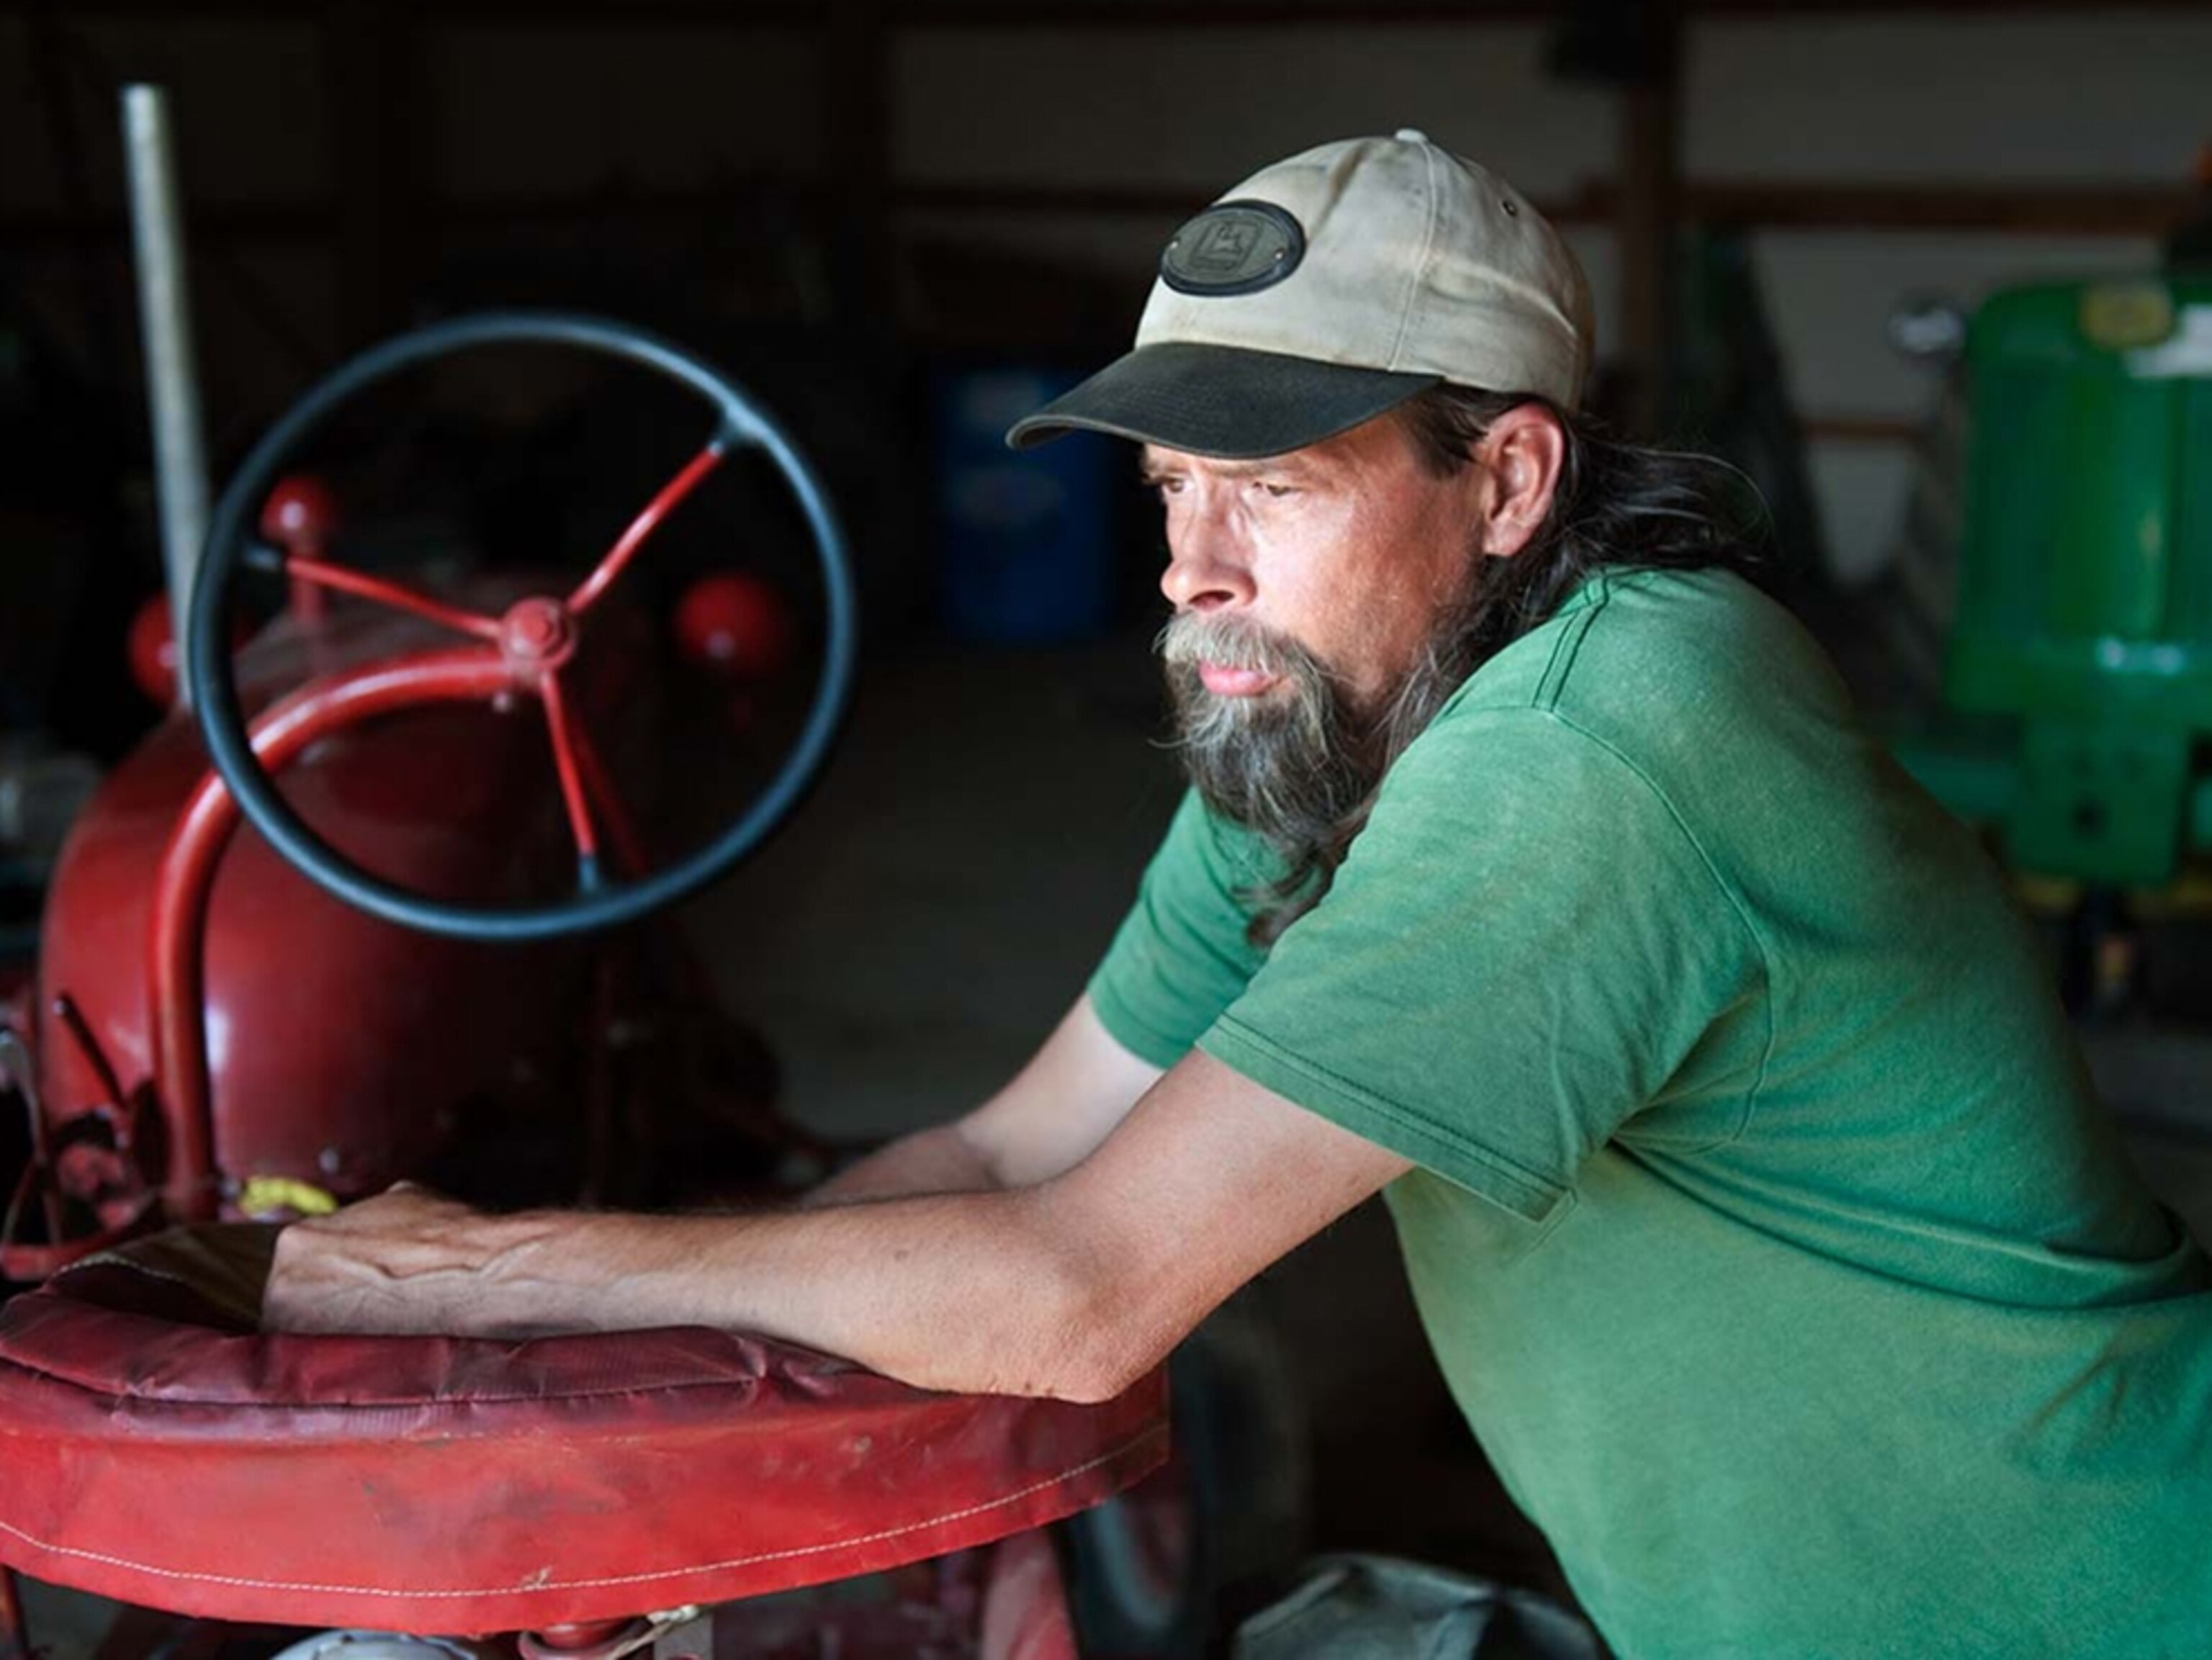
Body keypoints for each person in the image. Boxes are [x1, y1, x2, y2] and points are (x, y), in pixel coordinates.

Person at [266, 134, 2212, 1657]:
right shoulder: (1319, 723)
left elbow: (1082, 1288)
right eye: (1170, 486)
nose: (1196, 567)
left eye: (1270, 483)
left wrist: (495, 1268)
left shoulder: (1606, 741)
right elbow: (1013, 1145)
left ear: (1510, 480)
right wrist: (599, 1382)